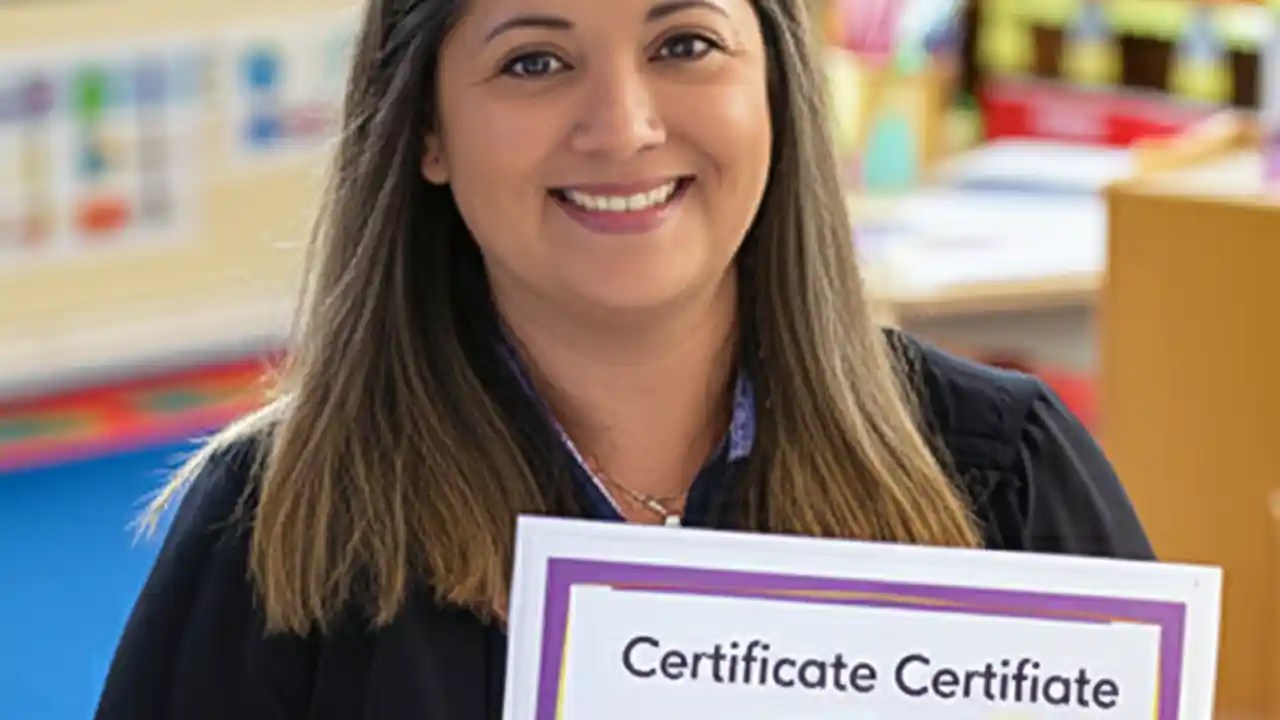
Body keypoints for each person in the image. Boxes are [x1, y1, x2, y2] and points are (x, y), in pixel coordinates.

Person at [94, 0, 1154, 717]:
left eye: (683, 43)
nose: (623, 126)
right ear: (427, 130)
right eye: (534, 61)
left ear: (778, 89)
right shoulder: (285, 525)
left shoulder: (1002, 478)